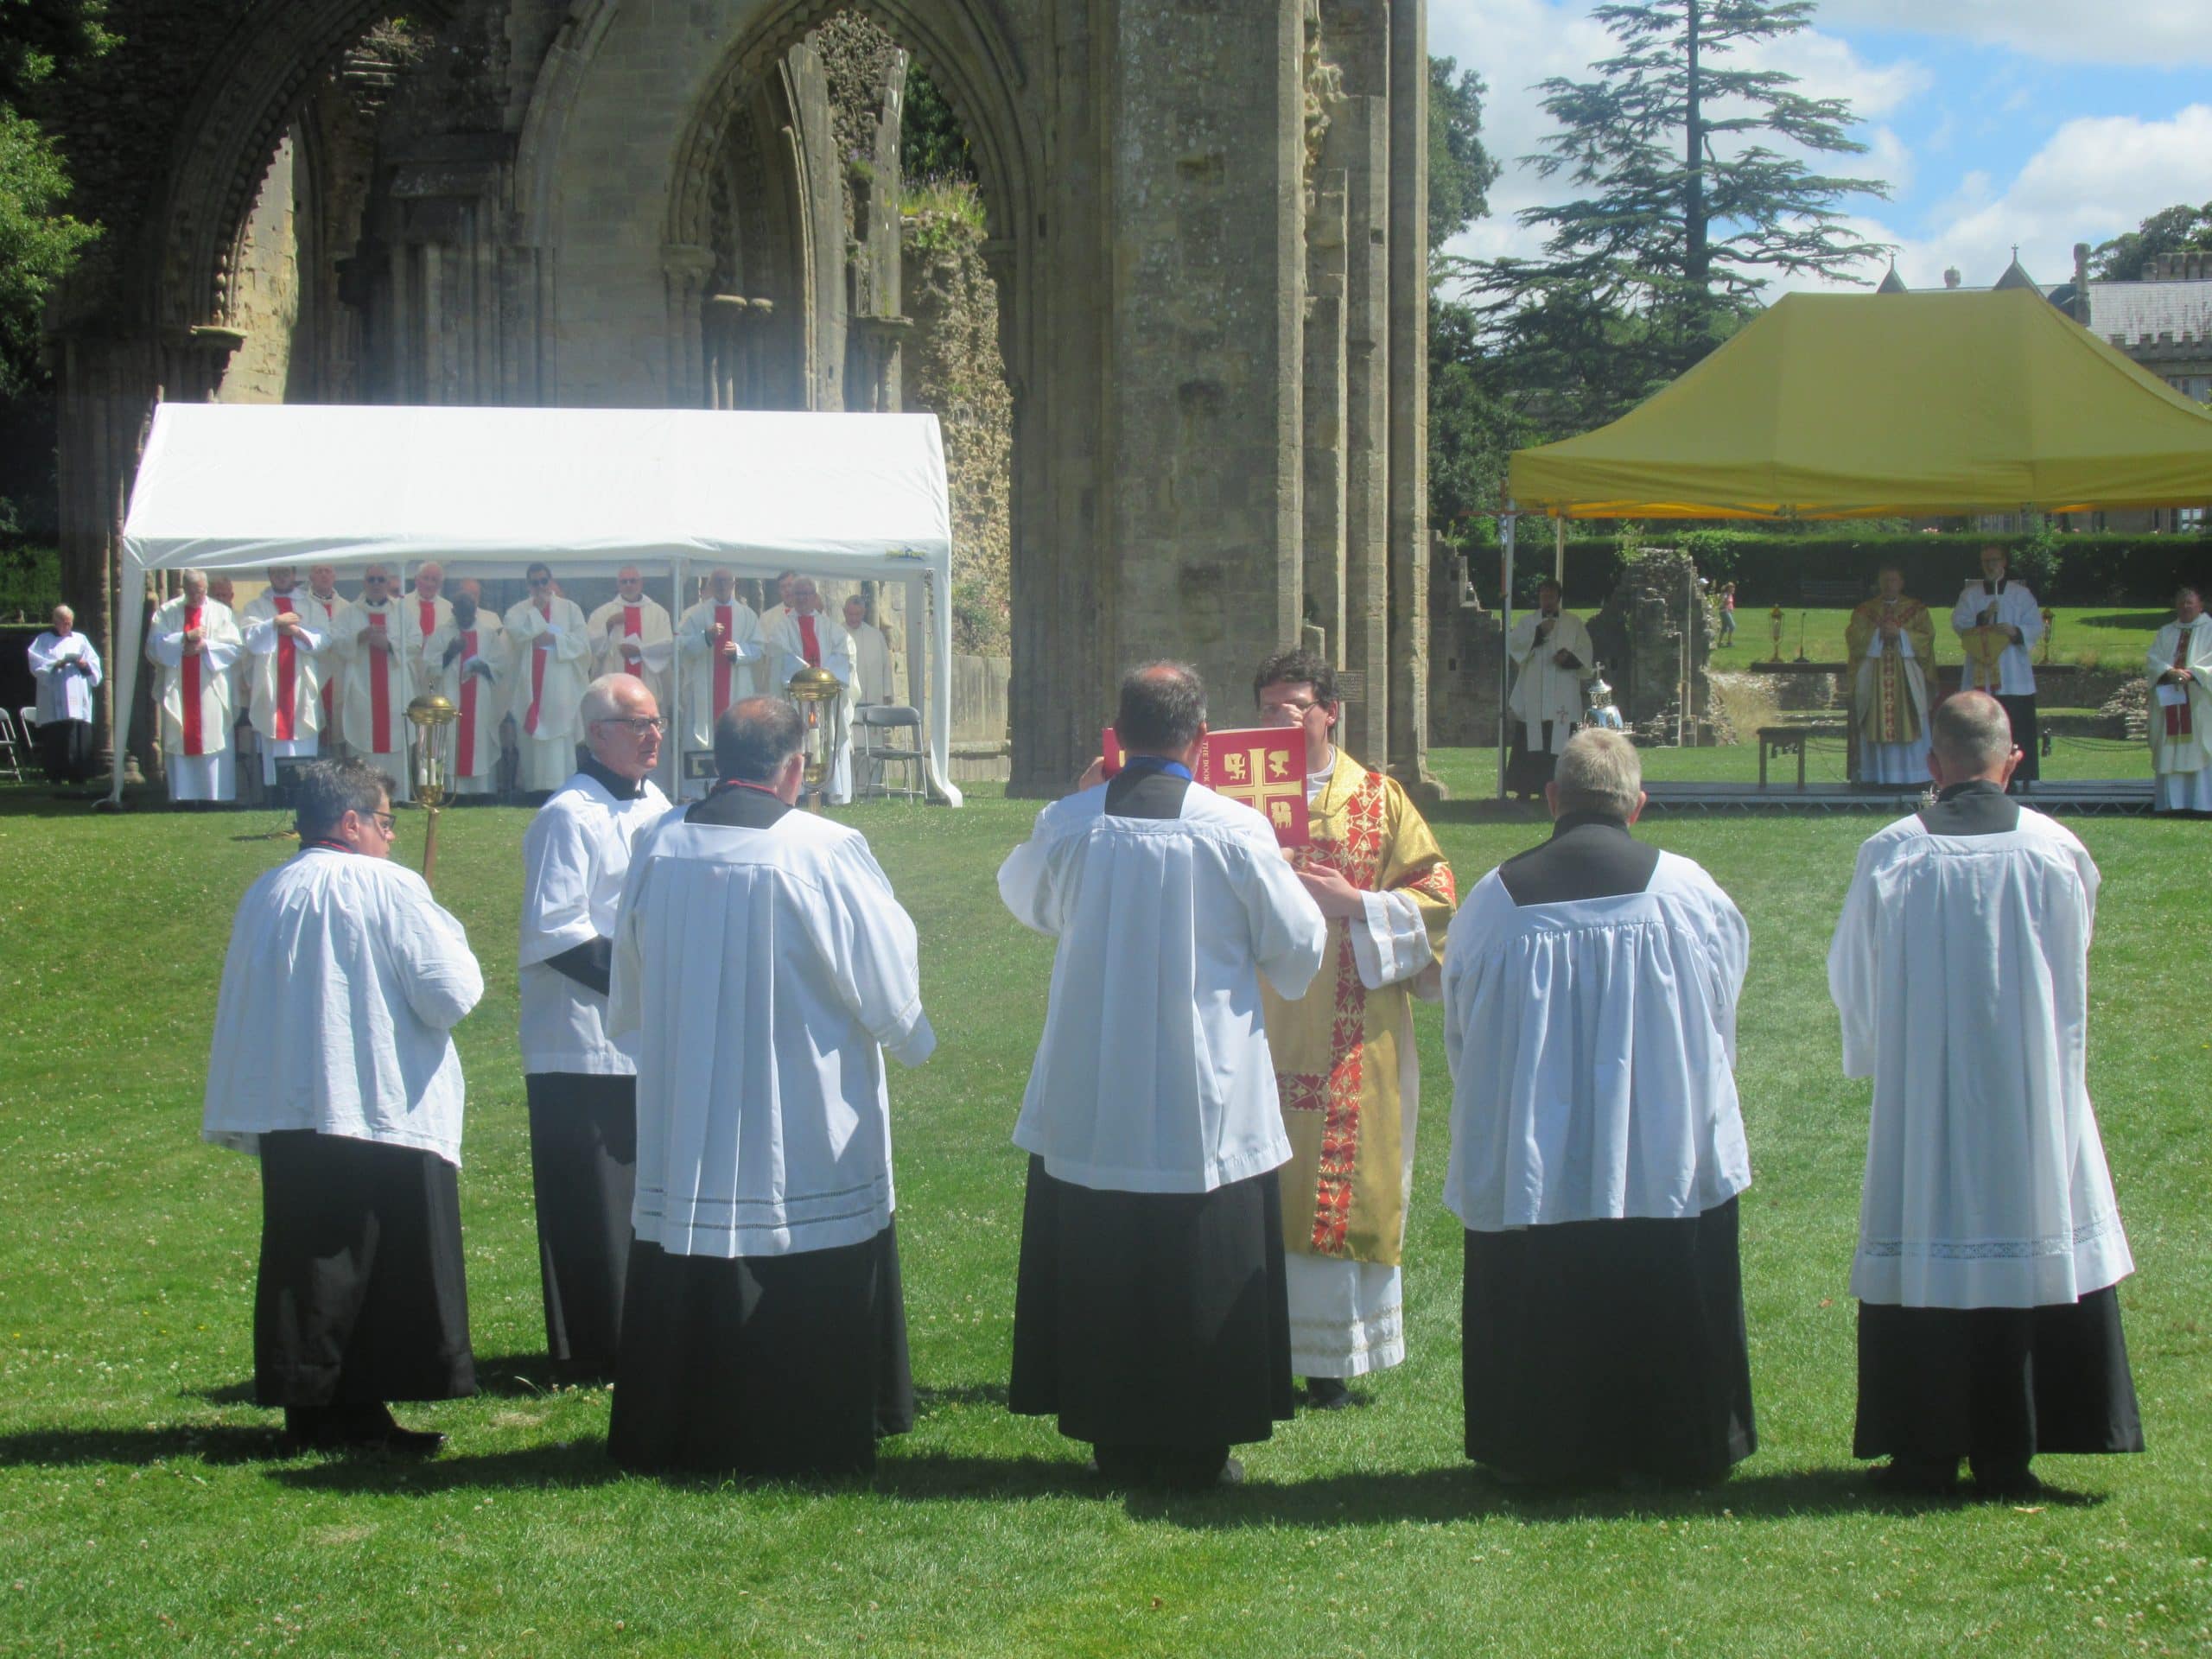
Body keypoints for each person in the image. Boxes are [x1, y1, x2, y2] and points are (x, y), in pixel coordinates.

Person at [1001, 663, 1328, 1488]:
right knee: (1198, 1258)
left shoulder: (1071, 823)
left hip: (1095, 1076)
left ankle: (1110, 1428)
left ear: (1119, 733)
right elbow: (1298, 948)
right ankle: (1200, 1439)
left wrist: (1078, 799)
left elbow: (1027, 901)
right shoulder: (1236, 829)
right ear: (1202, 738)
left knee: (1104, 1249)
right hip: (1202, 1084)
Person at [606, 696, 932, 1476]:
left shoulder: (660, 841)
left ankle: (685, 1421)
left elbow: (632, 966)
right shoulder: (825, 848)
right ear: (796, 765)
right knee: (799, 1209)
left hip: (691, 1094)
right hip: (801, 1091)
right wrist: (907, 1032)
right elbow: (884, 976)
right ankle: (806, 1424)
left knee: (696, 1215)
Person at [1828, 692, 2141, 1497]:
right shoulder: (2059, 850)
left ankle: (1925, 1447)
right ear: (2014, 761)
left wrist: (1877, 1057)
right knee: (2032, 1222)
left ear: (1932, 767)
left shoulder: (1892, 853)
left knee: (1926, 1227)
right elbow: (2076, 962)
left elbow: (1854, 977)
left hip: (1926, 1094)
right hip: (2032, 1089)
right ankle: (2013, 1449)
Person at [1441, 728, 1756, 1488]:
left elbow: (1464, 1025)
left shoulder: (1495, 899)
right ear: (1638, 806)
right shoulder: (1687, 892)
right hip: (1662, 1149)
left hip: (1534, 1160)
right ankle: (1680, 1443)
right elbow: (1722, 1011)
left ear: (1552, 800)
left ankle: (1539, 1448)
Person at [201, 757, 485, 1452]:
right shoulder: (389, 886)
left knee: (311, 1260)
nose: (391, 836)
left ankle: (317, 1407)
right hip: (373, 1100)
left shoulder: (267, 891)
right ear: (351, 822)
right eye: (386, 822)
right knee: (374, 1263)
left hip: (294, 1101)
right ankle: (357, 1409)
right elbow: (451, 992)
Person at [1249, 649, 1454, 1407]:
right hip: (1252, 1024)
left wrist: (1356, 904)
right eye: (1269, 707)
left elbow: (1436, 893)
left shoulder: (1376, 797)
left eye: (1296, 705)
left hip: (1349, 1026)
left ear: (1330, 711)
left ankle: (1330, 1362)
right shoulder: (1230, 800)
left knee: (1334, 1179)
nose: (1281, 719)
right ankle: (1250, 1342)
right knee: (1253, 1176)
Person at [517, 675, 671, 1380]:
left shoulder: (662, 808)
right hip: (578, 1040)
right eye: (638, 723)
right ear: (597, 733)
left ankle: (642, 1326)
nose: (653, 735)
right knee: (591, 1197)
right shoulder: (567, 816)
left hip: (643, 1041)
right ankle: (591, 1344)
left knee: (642, 1193)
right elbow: (556, 931)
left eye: (657, 721)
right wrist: (647, 980)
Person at [147, 568, 244, 806]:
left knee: (212, 734)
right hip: (179, 685)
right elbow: (153, 645)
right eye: (191, 591)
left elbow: (234, 647)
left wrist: (205, 646)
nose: (196, 595)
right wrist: (183, 638)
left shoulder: (221, 612)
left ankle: (216, 796)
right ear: (184, 588)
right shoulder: (167, 612)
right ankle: (183, 796)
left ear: (205, 588)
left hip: (210, 685)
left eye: (200, 591)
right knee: (181, 735)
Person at [1951, 543, 2043, 790]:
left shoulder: (2020, 594)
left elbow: (2035, 625)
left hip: (2012, 671)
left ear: (2004, 563)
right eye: (1986, 561)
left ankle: (2021, 778)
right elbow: (1959, 623)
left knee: (2015, 724)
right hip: (1981, 670)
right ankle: (1981, 775)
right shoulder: (1970, 595)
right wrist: (1981, 618)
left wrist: (2015, 631)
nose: (1990, 565)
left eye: (1995, 560)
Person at [504, 561, 594, 797]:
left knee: (560, 737)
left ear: (551, 581)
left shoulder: (570, 609)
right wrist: (536, 612)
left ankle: (563, 788)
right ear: (528, 585)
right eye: (535, 583)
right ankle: (534, 788)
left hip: (560, 685)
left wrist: (554, 640)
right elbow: (517, 633)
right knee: (533, 739)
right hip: (530, 685)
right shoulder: (518, 611)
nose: (540, 586)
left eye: (544, 581)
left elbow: (583, 645)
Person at [674, 568, 766, 797]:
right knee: (702, 734)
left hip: (737, 686)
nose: (723, 585)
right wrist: (705, 637)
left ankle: (740, 786)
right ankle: (698, 790)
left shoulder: (747, 615)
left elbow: (760, 648)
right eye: (718, 581)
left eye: (727, 581)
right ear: (710, 584)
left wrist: (739, 650)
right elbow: (681, 646)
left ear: (735, 583)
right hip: (705, 688)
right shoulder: (694, 614)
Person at [238, 566, 330, 792]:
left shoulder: (311, 605)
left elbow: (325, 639)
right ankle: (274, 793)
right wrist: (274, 623)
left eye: (286, 572)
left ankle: (303, 791)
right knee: (271, 731)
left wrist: (297, 632)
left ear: (294, 574)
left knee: (302, 731)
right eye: (276, 572)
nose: (281, 576)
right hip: (271, 684)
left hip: (300, 683)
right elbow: (248, 639)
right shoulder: (256, 606)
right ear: (269, 574)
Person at [1845, 566, 1938, 785]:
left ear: (1901, 583)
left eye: (1893, 581)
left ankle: (1913, 777)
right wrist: (1877, 634)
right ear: (1879, 583)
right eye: (1885, 581)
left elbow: (1927, 638)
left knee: (1910, 717)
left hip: (1907, 677)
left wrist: (1901, 634)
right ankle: (1877, 776)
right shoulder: (1865, 610)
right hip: (1875, 677)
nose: (1889, 585)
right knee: (1875, 719)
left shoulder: (1917, 609)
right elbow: (1854, 638)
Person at [330, 565, 415, 803]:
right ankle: (363, 799)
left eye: (381, 579)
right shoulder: (348, 613)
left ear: (388, 583)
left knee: (396, 737)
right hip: (362, 687)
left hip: (395, 688)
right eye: (371, 579)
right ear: (364, 583)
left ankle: (397, 796)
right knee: (364, 736)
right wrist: (360, 637)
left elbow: (417, 643)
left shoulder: (402, 612)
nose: (376, 584)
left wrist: (388, 645)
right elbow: (335, 642)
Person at [1503, 580, 1592, 801]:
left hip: (1561, 692)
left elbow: (1585, 654)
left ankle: (1558, 787)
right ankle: (1525, 788)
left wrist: (1569, 659)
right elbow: (1514, 647)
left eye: (1552, 596)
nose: (1548, 601)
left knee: (1559, 741)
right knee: (1530, 738)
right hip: (1534, 692)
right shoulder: (1528, 622)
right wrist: (1537, 634)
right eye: (1544, 596)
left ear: (1558, 598)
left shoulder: (1573, 624)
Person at [770, 576, 856, 804]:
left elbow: (845, 653)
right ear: (792, 597)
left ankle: (829, 789)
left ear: (815, 596)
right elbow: (779, 654)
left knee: (828, 737)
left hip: (826, 697)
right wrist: (807, 672)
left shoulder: (830, 627)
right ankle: (796, 791)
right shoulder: (782, 627)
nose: (803, 599)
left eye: (808, 594)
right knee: (797, 738)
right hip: (797, 695)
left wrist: (824, 675)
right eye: (799, 594)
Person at [423, 588, 509, 798]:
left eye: (470, 613)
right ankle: (452, 794)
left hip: (479, 702)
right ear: (453, 611)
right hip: (451, 699)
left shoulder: (487, 634)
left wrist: (483, 666)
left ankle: (482, 794)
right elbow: (427, 668)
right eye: (462, 614)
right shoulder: (442, 633)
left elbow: (501, 666)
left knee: (478, 746)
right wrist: (450, 653)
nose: (466, 618)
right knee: (452, 745)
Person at [2146, 585, 2212, 813]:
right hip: (2170, 702)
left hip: (2199, 702)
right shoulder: (2166, 631)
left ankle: (2202, 803)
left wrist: (2194, 673)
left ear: (2200, 605)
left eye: (2190, 603)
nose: (2185, 607)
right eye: (2182, 603)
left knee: (2200, 750)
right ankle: (2171, 804)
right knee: (2170, 750)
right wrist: (2168, 671)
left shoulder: (2210, 628)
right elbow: (2152, 659)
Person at [27, 604, 102, 784]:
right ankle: (56, 778)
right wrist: (55, 665)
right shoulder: (43, 640)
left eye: (70, 623)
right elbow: (36, 664)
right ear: (55, 622)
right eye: (64, 623)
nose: (67, 627)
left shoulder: (80, 639)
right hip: (55, 698)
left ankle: (78, 777)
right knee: (56, 740)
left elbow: (94, 666)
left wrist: (84, 664)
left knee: (77, 738)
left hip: (77, 694)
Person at [588, 566, 676, 709]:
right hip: (614, 678)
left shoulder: (659, 613)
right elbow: (591, 645)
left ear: (641, 583)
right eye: (624, 582)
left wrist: (641, 652)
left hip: (647, 678)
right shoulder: (603, 613)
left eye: (633, 581)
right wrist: (609, 625)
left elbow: (667, 646)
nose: (629, 585)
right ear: (618, 585)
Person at [300, 565, 347, 747]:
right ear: (311, 576)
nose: (324, 575)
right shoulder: (302, 604)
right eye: (319, 571)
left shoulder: (346, 607)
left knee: (339, 723)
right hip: (313, 667)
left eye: (328, 571)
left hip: (338, 669)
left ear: (334, 576)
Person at [401, 563, 453, 684]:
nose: (429, 584)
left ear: (440, 584)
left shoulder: (449, 608)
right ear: (416, 580)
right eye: (426, 578)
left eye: (434, 580)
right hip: (408, 668)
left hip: (437, 674)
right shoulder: (401, 604)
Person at [756, 569, 800, 644]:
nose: (787, 590)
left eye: (790, 585)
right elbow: (762, 647)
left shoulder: (813, 613)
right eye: (783, 587)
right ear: (779, 591)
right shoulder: (766, 618)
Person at [1718, 582, 1737, 647]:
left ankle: (1719, 642)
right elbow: (1722, 602)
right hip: (1724, 611)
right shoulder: (1725, 594)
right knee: (1732, 626)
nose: (1733, 589)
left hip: (1727, 612)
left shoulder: (1730, 595)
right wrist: (1727, 598)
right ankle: (1729, 642)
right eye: (1732, 587)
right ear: (1729, 588)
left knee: (1724, 627)